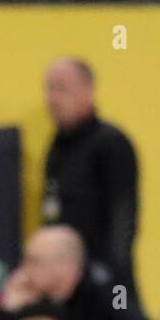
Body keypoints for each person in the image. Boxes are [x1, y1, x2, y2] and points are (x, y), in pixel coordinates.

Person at [41, 57, 141, 300]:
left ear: (88, 91)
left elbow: (123, 216)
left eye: (61, 89)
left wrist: (109, 274)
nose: (52, 99)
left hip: (103, 280)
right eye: (49, 89)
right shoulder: (57, 146)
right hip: (64, 280)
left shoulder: (110, 143)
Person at [0, 225, 160, 320]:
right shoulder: (26, 302)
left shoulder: (108, 298)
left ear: (65, 266)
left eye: (33, 262)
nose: (23, 270)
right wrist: (7, 312)